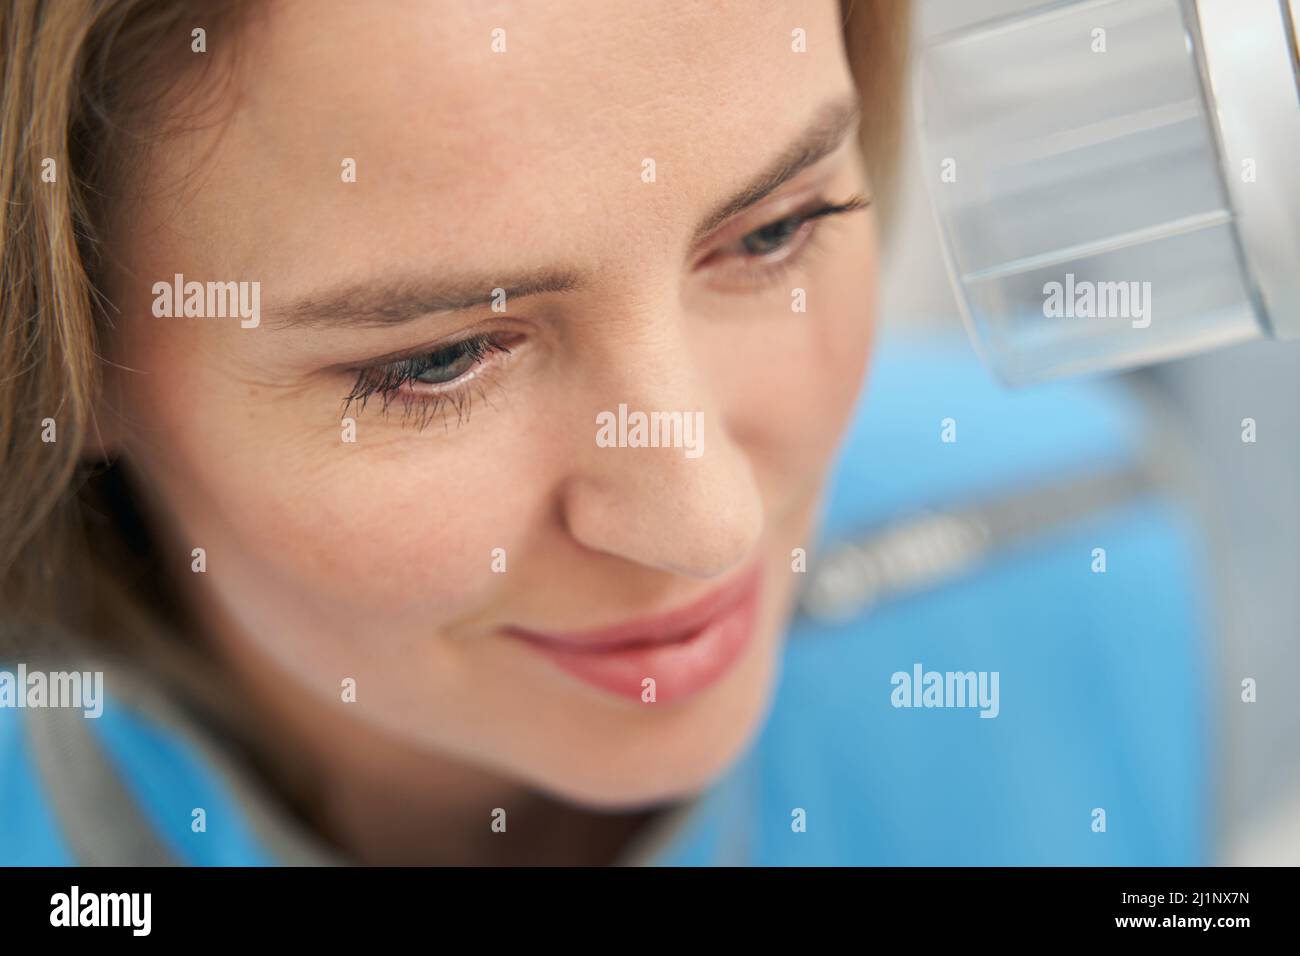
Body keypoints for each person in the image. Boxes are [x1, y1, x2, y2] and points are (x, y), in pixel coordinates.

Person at [0, 0, 1207, 865]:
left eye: (775, 233)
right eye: (436, 359)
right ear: (64, 347)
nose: (708, 523)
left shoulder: (1091, 540)